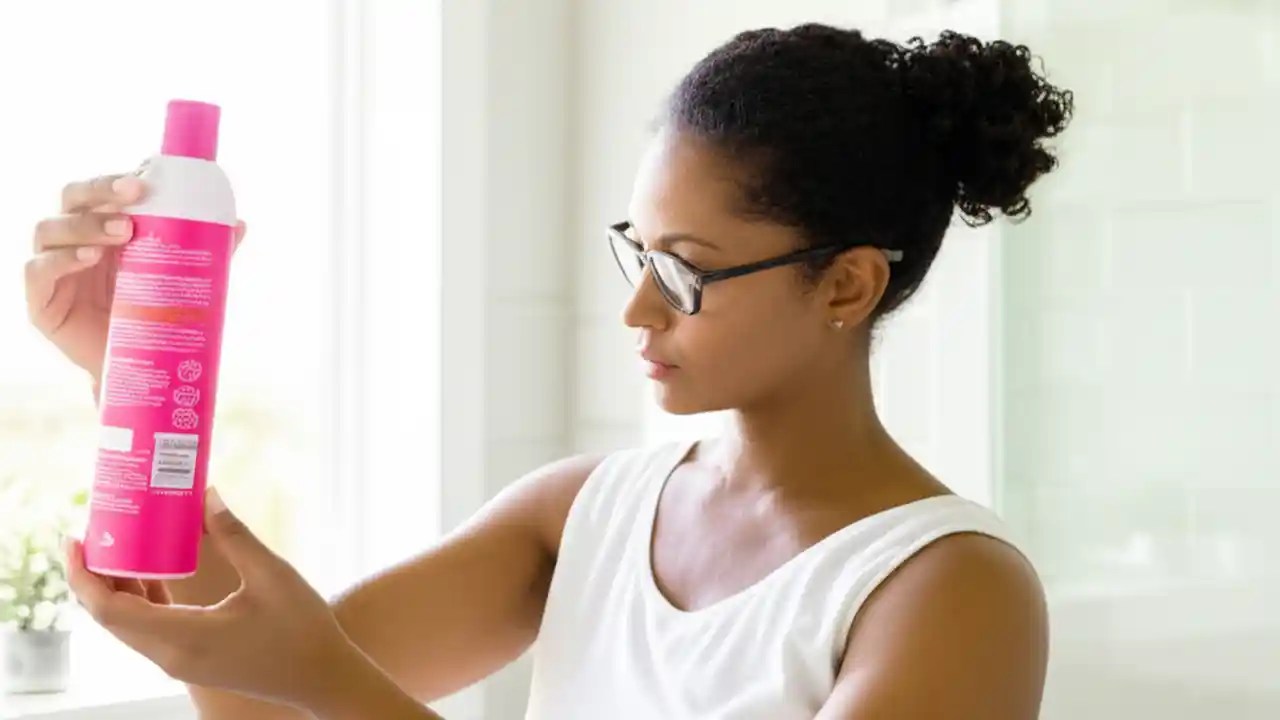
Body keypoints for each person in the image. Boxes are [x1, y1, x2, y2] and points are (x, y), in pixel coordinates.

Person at [26, 24, 1071, 720]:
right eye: (638, 250)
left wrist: (327, 676)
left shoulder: (949, 589)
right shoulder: (585, 514)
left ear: (843, 285)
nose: (637, 307)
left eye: (684, 271)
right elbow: (261, 692)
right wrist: (134, 374)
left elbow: (317, 684)